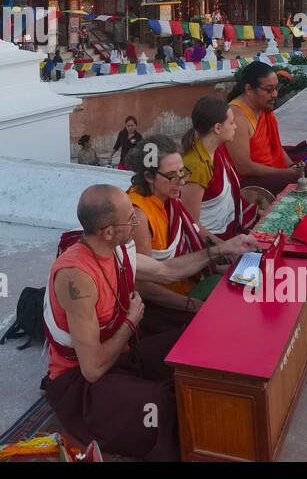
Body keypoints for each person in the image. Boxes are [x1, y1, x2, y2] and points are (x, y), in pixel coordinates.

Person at [41, 184, 257, 461]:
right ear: (108, 231)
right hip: (80, 385)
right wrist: (130, 323)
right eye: (130, 219)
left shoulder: (116, 250)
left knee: (198, 339)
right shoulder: (76, 277)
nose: (136, 222)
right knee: (166, 407)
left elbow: (167, 271)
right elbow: (92, 369)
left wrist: (222, 249)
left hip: (121, 355)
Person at [126, 136, 260, 333]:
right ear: (149, 177)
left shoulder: (170, 199)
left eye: (182, 172)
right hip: (162, 307)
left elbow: (193, 237)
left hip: (187, 283)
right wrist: (192, 305)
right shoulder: (139, 214)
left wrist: (226, 256)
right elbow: (143, 285)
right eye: (172, 176)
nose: (182, 181)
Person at [226, 61, 307, 195]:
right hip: (247, 180)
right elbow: (244, 168)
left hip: (269, 169)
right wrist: (286, 172)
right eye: (269, 90)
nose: (275, 94)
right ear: (249, 89)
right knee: (293, 182)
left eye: (276, 88)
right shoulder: (236, 115)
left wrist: (291, 166)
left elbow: (275, 145)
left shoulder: (263, 107)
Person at [180, 96, 262, 240]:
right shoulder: (196, 166)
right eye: (231, 123)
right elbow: (191, 224)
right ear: (218, 128)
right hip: (211, 242)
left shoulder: (215, 151)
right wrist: (223, 248)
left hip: (229, 231)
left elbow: (232, 197)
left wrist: (261, 213)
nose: (235, 127)